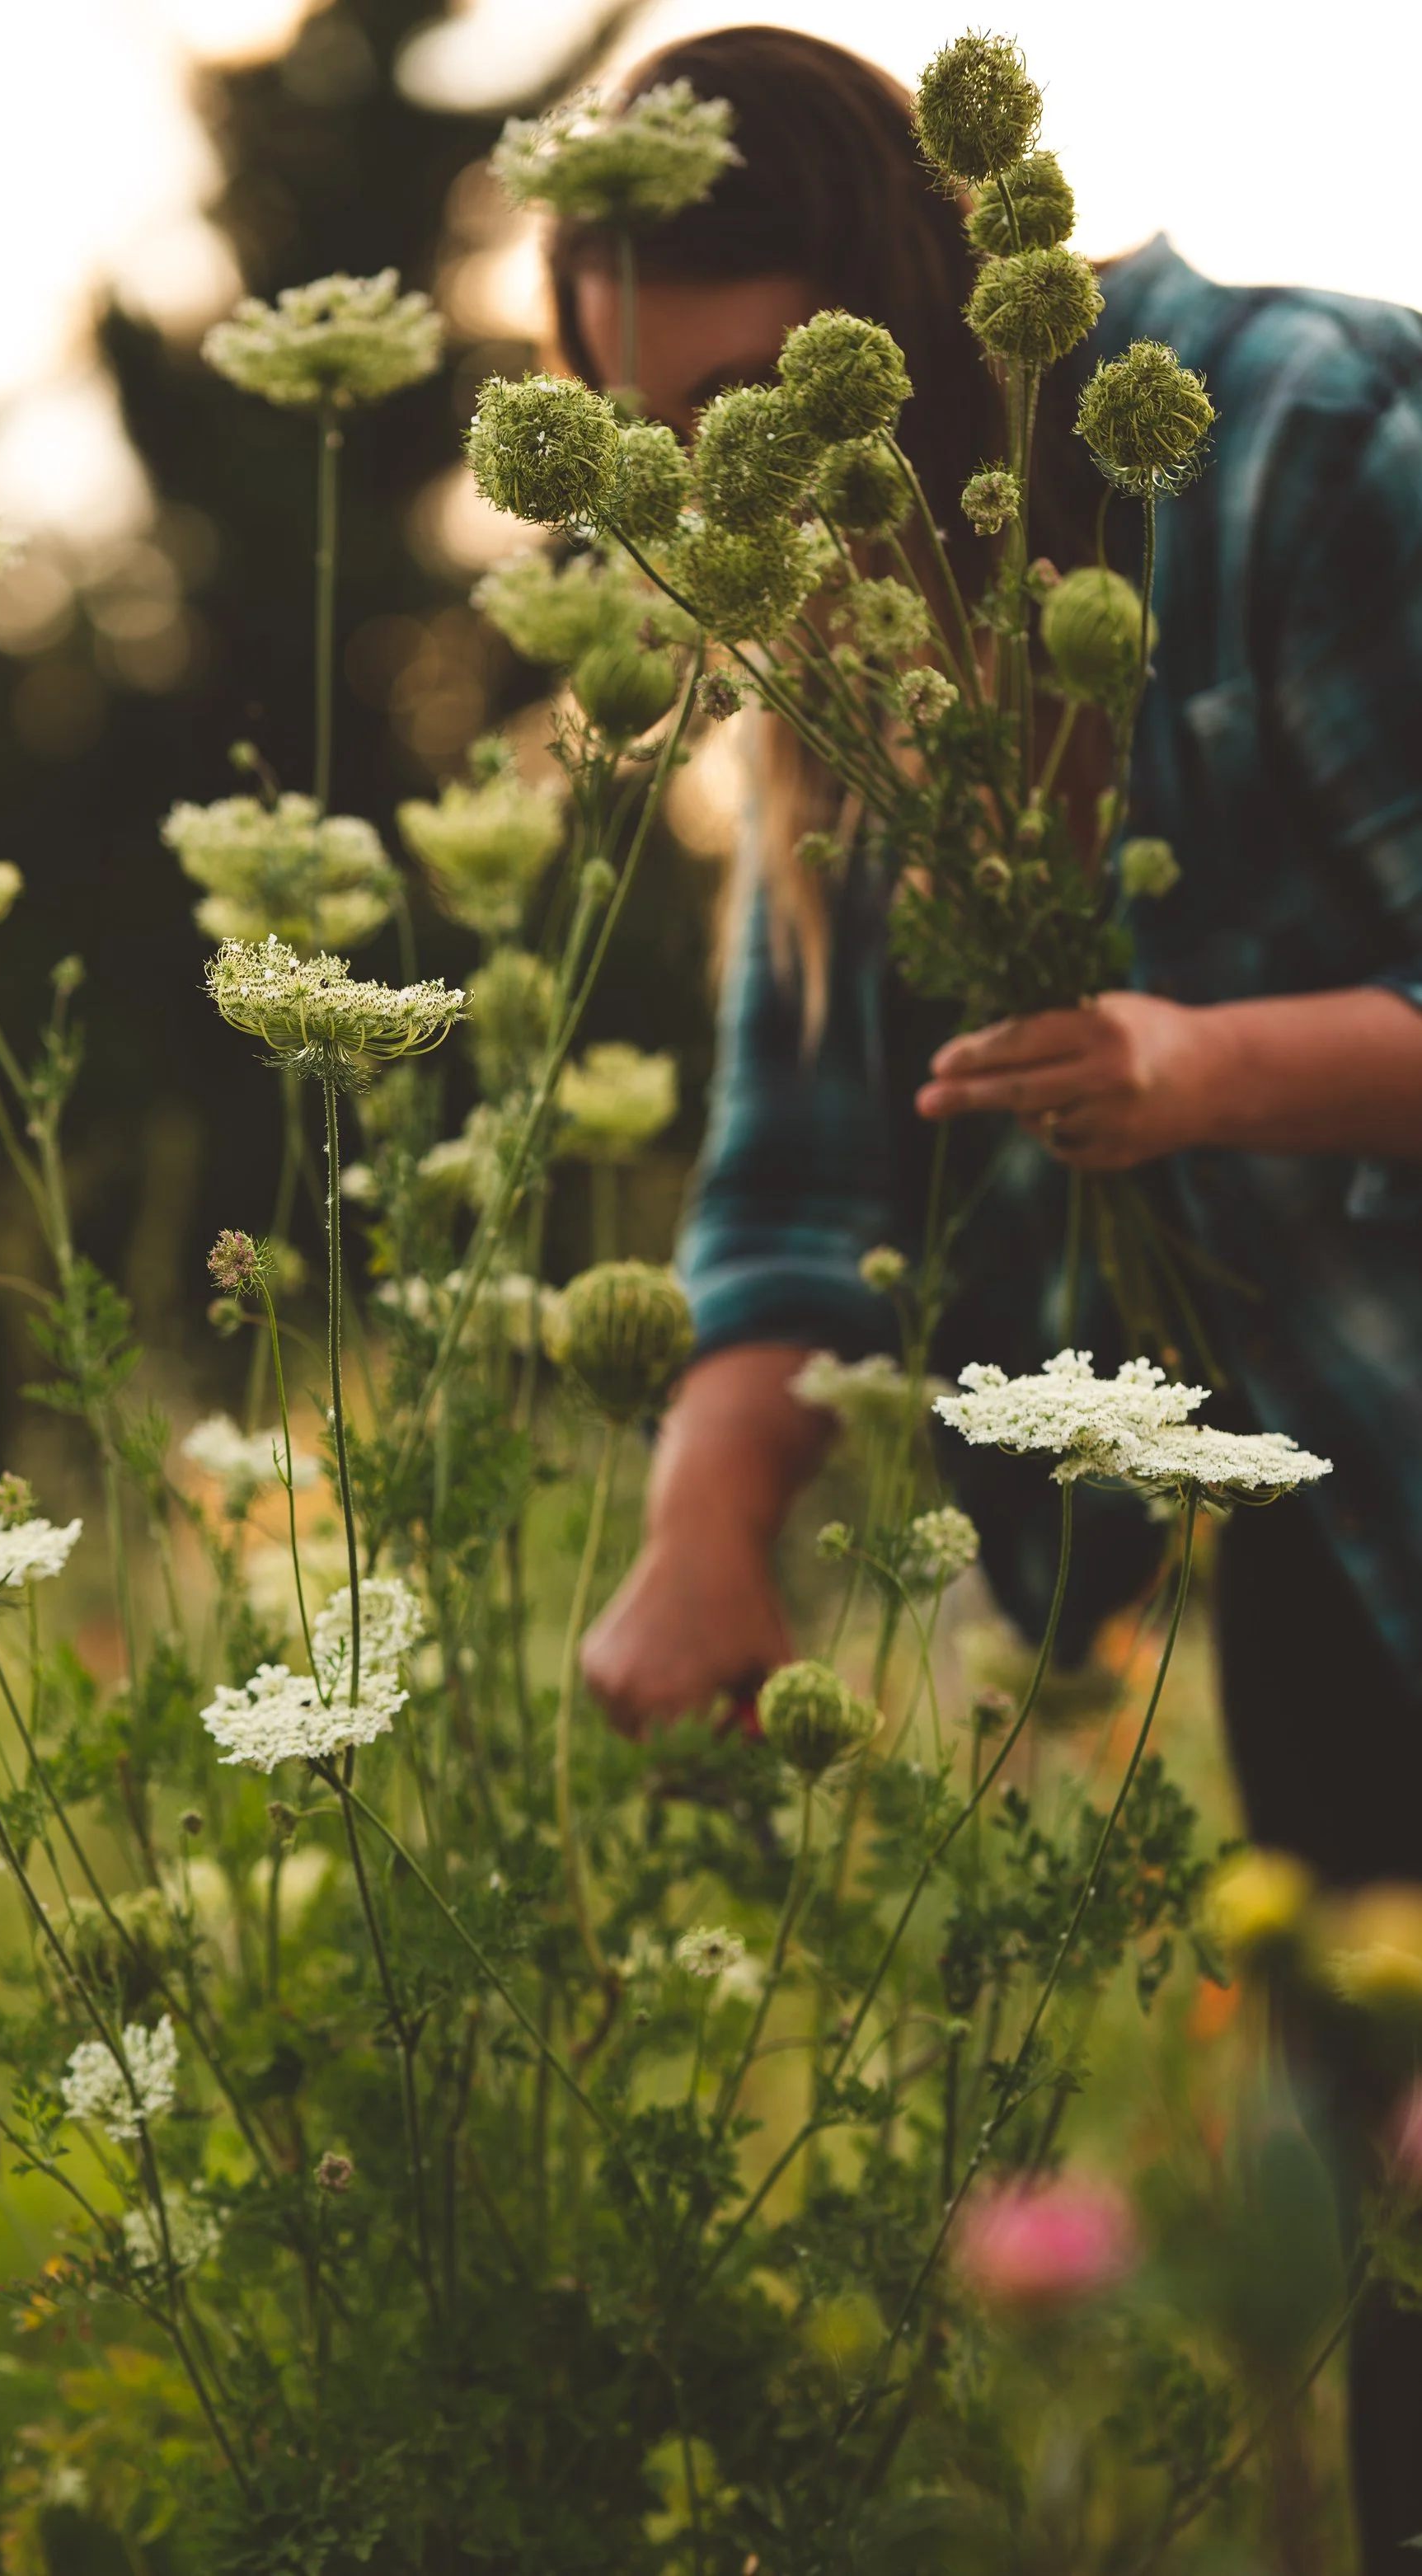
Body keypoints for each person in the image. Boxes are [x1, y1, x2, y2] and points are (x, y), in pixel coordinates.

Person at [552, 27, 1422, 2571]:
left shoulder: (1301, 440)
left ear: (913, 310)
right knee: (1398, 2289)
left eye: (743, 406)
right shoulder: (836, 655)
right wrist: (709, 1517)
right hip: (1325, 1541)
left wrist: (1208, 1063)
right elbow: (798, 1156)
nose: (716, 503)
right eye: (651, 436)